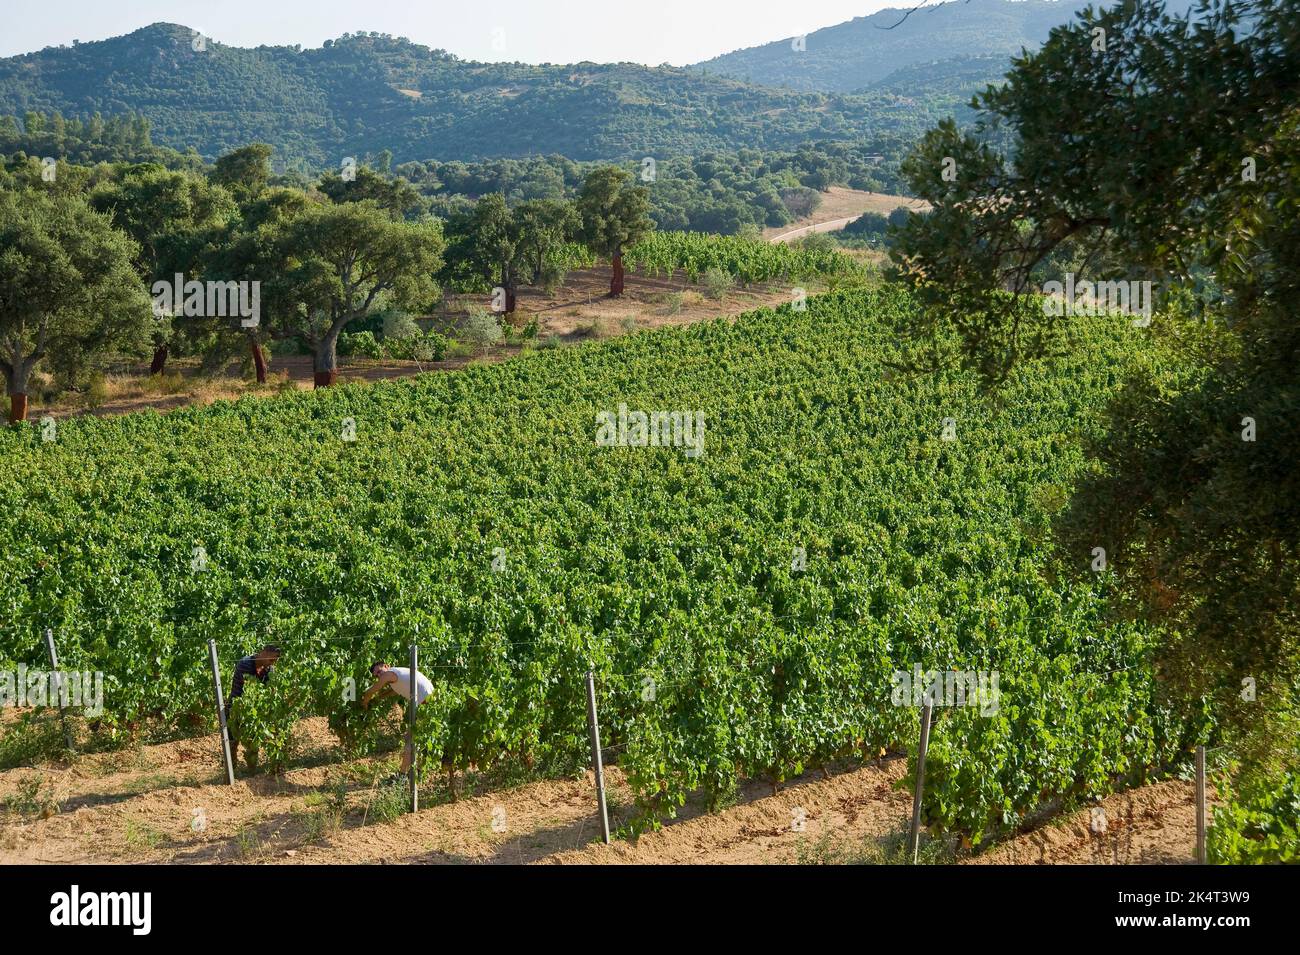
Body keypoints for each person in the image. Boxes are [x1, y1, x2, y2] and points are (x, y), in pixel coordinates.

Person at [361, 661, 433, 775]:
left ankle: (403, 774)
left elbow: (371, 691)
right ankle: (416, 770)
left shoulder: (389, 673)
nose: (379, 676)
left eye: (379, 671)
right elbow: (391, 692)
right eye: (376, 675)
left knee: (410, 740)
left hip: (425, 704)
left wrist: (364, 702)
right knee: (415, 739)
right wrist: (377, 699)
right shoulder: (396, 675)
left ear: (386, 666)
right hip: (428, 703)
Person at [225, 645, 281, 759]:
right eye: (271, 660)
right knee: (231, 741)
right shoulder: (245, 664)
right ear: (263, 653)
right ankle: (230, 771)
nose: (272, 663)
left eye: (275, 661)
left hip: (255, 712)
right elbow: (252, 689)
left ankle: (251, 772)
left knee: (253, 742)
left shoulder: (269, 669)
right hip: (236, 708)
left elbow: (270, 690)